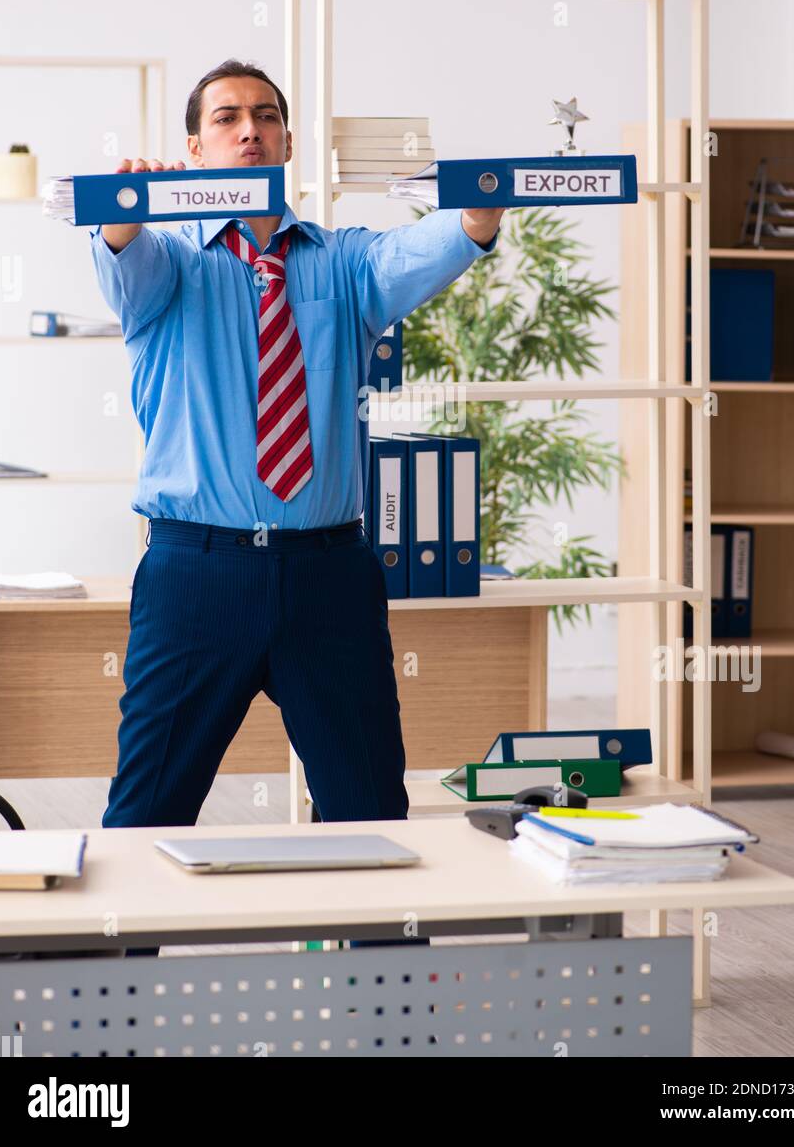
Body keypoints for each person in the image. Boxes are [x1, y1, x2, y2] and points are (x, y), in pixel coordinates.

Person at [91, 58, 503, 954]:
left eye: (267, 117)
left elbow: (429, 245)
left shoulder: (344, 263)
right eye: (229, 118)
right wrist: (127, 207)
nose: (251, 130)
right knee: (144, 813)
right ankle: (90, 1041)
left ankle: (390, 1029)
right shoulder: (165, 266)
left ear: (286, 140)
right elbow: (121, 247)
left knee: (372, 819)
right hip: (196, 574)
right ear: (195, 147)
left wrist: (476, 213)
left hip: (329, 576)